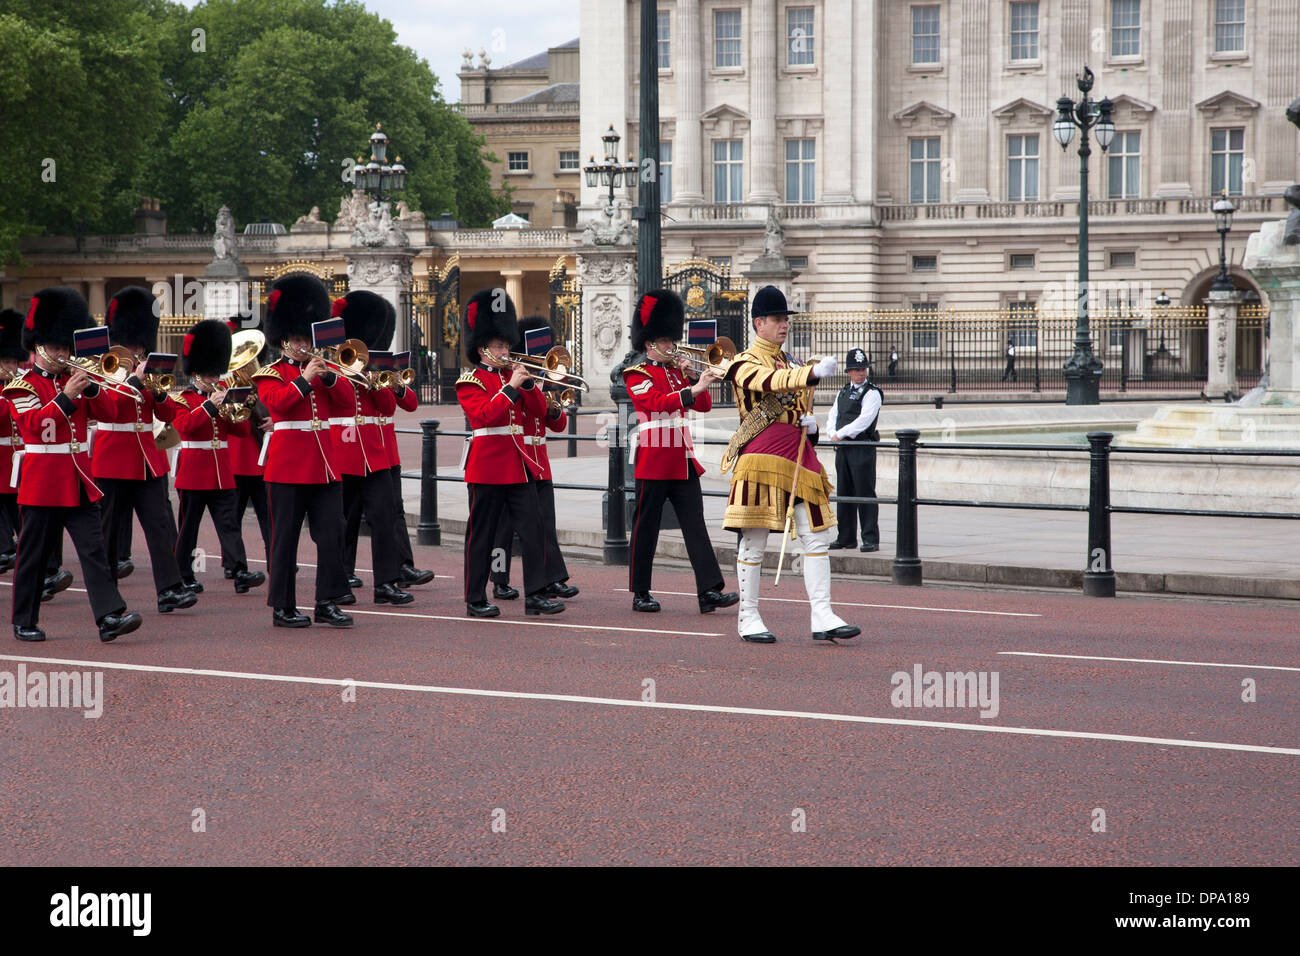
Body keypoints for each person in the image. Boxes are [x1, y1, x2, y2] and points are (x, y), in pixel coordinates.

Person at [722, 285, 860, 645]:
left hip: (798, 456)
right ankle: (748, 616)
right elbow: (769, 384)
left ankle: (822, 613)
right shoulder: (744, 363)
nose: (784, 325)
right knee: (754, 542)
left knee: (816, 537)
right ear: (758, 323)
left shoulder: (792, 362)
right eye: (777, 319)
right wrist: (811, 375)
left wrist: (810, 426)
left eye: (785, 319)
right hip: (761, 458)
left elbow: (795, 404)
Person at [6, 286, 142, 643]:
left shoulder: (76, 381)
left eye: (66, 347)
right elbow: (35, 427)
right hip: (42, 482)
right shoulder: (22, 387)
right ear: (38, 347)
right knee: (34, 556)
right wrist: (67, 397)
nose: (63, 354)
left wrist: (94, 388)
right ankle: (24, 619)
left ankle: (110, 616)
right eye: (56, 348)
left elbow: (111, 411)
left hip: (79, 479)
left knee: (94, 552)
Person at [623, 290, 737, 615]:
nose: (672, 346)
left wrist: (693, 378)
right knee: (646, 527)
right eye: (665, 341)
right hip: (654, 458)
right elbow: (656, 404)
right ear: (649, 344)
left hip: (682, 458)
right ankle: (640, 591)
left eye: (672, 340)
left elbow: (703, 405)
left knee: (695, 524)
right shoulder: (637, 374)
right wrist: (690, 388)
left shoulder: (676, 372)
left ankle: (709, 590)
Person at [251, 273, 353, 629]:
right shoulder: (269, 373)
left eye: (306, 339)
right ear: (283, 340)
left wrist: (329, 378)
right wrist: (305, 379)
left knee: (331, 534)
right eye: (297, 339)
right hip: (288, 468)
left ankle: (328, 600)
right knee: (285, 540)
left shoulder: (326, 370)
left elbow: (347, 405)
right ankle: (283, 605)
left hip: (324, 466)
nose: (303, 345)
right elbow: (279, 406)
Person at [456, 288, 563, 618]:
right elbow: (486, 416)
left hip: (519, 467)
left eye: (506, 345)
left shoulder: (515, 376)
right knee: (481, 537)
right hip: (487, 467)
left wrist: (531, 385)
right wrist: (512, 386)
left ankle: (535, 595)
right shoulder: (469, 381)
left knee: (533, 531)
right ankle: (475, 597)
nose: (505, 351)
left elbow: (541, 414)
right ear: (483, 348)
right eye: (499, 346)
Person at [92, 286, 196, 614]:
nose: (136, 350)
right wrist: (133, 384)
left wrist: (161, 394)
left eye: (139, 345)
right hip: (112, 459)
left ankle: (170, 589)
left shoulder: (147, 370)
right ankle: (106, 593)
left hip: (148, 459)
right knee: (108, 532)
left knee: (160, 526)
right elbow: (105, 409)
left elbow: (167, 416)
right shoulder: (102, 368)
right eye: (131, 344)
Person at [170, 318, 266, 596]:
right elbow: (184, 427)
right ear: (196, 374)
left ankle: (239, 571)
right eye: (210, 375)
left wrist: (243, 406)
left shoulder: (221, 398)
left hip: (221, 472)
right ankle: (183, 574)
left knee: (230, 525)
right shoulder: (183, 399)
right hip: (194, 472)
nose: (215, 380)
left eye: (216, 374)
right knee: (188, 528)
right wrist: (211, 407)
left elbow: (238, 432)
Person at [329, 290, 411, 606]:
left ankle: (386, 583)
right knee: (343, 522)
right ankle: (341, 577)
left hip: (373, 457)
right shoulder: (332, 369)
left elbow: (389, 408)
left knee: (385, 518)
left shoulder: (370, 371)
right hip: (343, 453)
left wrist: (376, 380)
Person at [489, 315, 578, 603]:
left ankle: (551, 579)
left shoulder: (541, 381)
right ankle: (499, 580)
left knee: (544, 523)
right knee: (503, 527)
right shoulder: (511, 379)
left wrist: (551, 401)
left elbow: (558, 425)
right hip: (515, 456)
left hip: (539, 459)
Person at [375, 299, 433, 588]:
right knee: (346, 519)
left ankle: (402, 566)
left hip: (386, 451)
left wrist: (396, 384)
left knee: (394, 511)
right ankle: (343, 570)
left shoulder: (382, 370)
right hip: (352, 452)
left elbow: (409, 404)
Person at [827, 348, 883, 553]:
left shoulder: (873, 393)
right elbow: (833, 414)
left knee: (864, 493)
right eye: (856, 369)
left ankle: (870, 538)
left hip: (861, 446)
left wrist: (840, 434)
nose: (861, 373)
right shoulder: (842, 391)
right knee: (844, 492)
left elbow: (864, 421)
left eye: (863, 369)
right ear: (849, 371)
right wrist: (831, 432)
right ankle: (846, 537)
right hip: (843, 449)